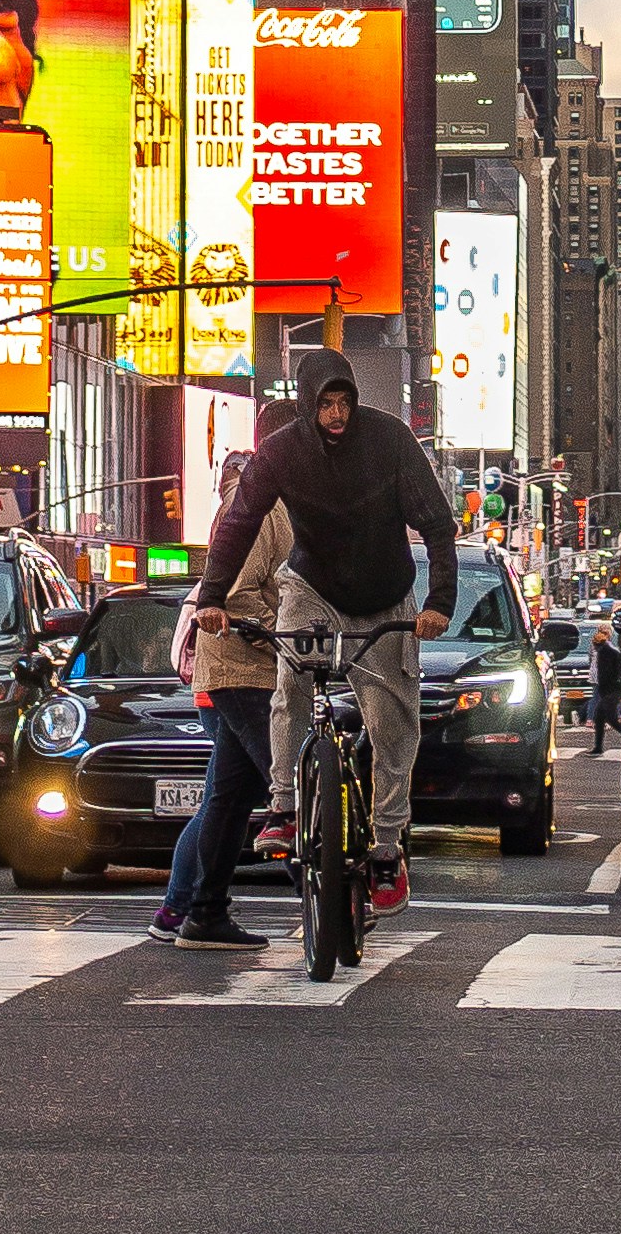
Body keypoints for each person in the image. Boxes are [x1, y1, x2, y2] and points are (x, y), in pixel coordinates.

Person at [193, 357, 458, 918]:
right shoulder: (281, 452)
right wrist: (212, 597)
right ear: (309, 403)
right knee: (289, 683)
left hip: (386, 593)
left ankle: (387, 847)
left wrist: (439, 605)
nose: (336, 415)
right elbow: (240, 522)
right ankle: (286, 807)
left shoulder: (389, 439)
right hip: (312, 589)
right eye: (325, 404)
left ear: (356, 401)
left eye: (344, 403)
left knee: (393, 722)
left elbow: (437, 523)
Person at [150, 452, 283, 954]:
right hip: (239, 673)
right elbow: (238, 596)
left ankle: (194, 910)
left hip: (233, 674)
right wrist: (282, 633)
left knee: (226, 799)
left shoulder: (249, 511)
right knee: (285, 784)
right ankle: (335, 894)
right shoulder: (253, 510)